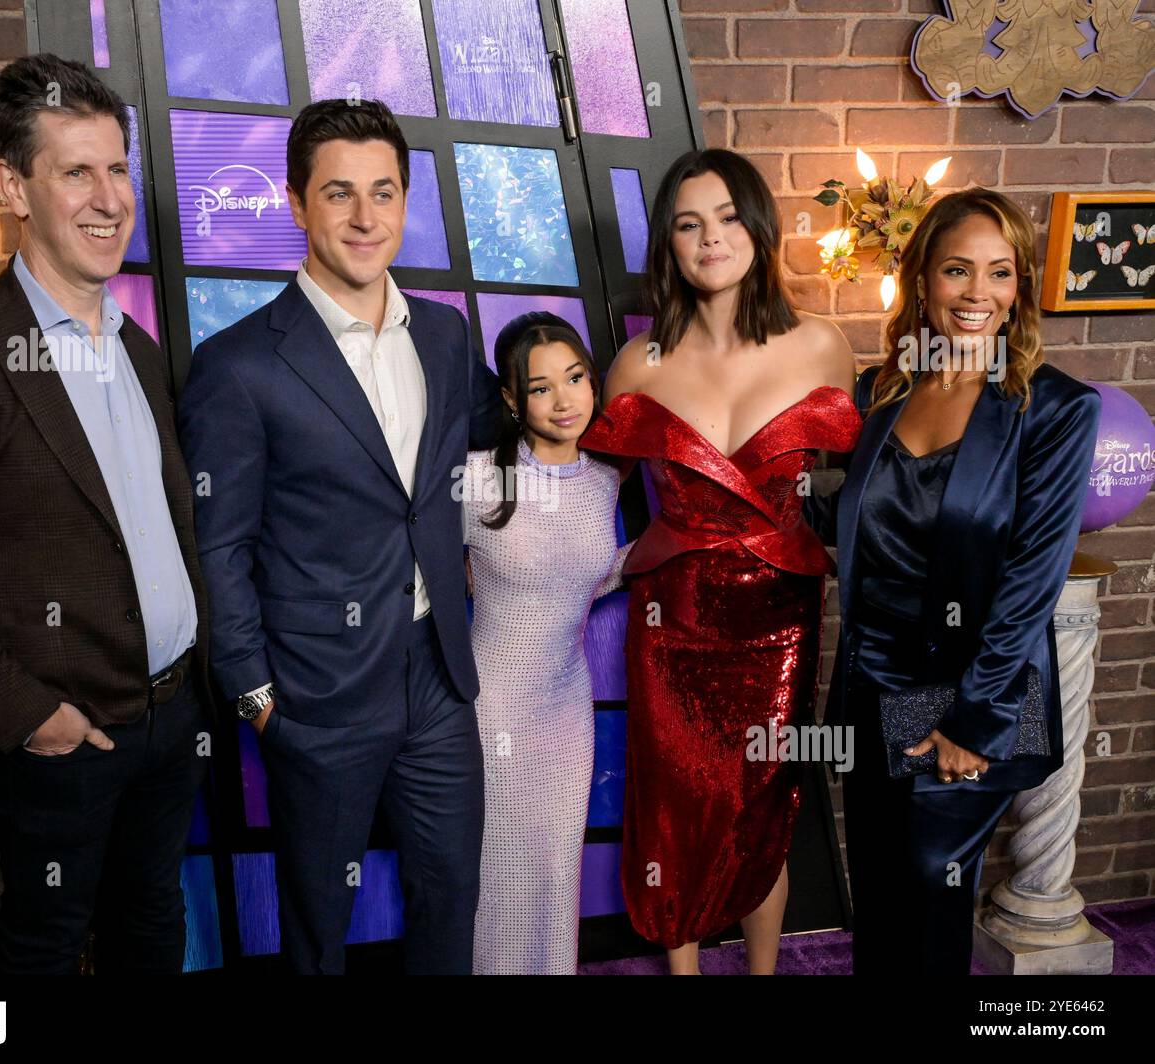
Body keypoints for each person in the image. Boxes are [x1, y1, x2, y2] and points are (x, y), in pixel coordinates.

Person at [0, 53, 210, 975]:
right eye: (75, 171)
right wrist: (34, 716)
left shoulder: (141, 353)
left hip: (171, 717)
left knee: (152, 932)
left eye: (116, 169)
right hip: (64, 745)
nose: (108, 199)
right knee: (47, 952)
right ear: (10, 184)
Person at [178, 98, 503, 975]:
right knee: (319, 923)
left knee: (451, 896)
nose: (365, 217)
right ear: (296, 204)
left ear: (405, 202)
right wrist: (254, 694)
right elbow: (220, 544)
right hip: (316, 691)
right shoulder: (239, 365)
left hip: (438, 673)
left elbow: (493, 439)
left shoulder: (443, 333)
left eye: (384, 192)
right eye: (339, 194)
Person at [804, 188, 1101, 974]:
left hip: (973, 695)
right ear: (922, 279)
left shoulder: (1056, 409)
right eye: (957, 270)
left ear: (1020, 285)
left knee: (934, 906)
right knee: (880, 901)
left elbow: (1032, 583)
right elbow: (852, 530)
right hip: (871, 686)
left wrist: (973, 721)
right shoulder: (880, 390)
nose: (978, 293)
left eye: (1000, 273)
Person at [579, 148, 860, 975]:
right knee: (676, 806)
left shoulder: (822, 346)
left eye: (728, 217)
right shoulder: (639, 365)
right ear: (667, 243)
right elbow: (586, 498)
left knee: (764, 801)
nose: (711, 239)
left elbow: (849, 485)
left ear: (759, 227)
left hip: (779, 623)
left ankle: (766, 971)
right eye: (688, 224)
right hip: (674, 628)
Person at [462, 312, 634, 975]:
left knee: (554, 868)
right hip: (493, 706)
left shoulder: (601, 483)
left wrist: (645, 554)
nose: (565, 401)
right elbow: (418, 570)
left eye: (576, 378)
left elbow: (582, 579)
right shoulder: (478, 480)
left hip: (567, 706)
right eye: (540, 388)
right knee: (497, 870)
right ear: (511, 399)